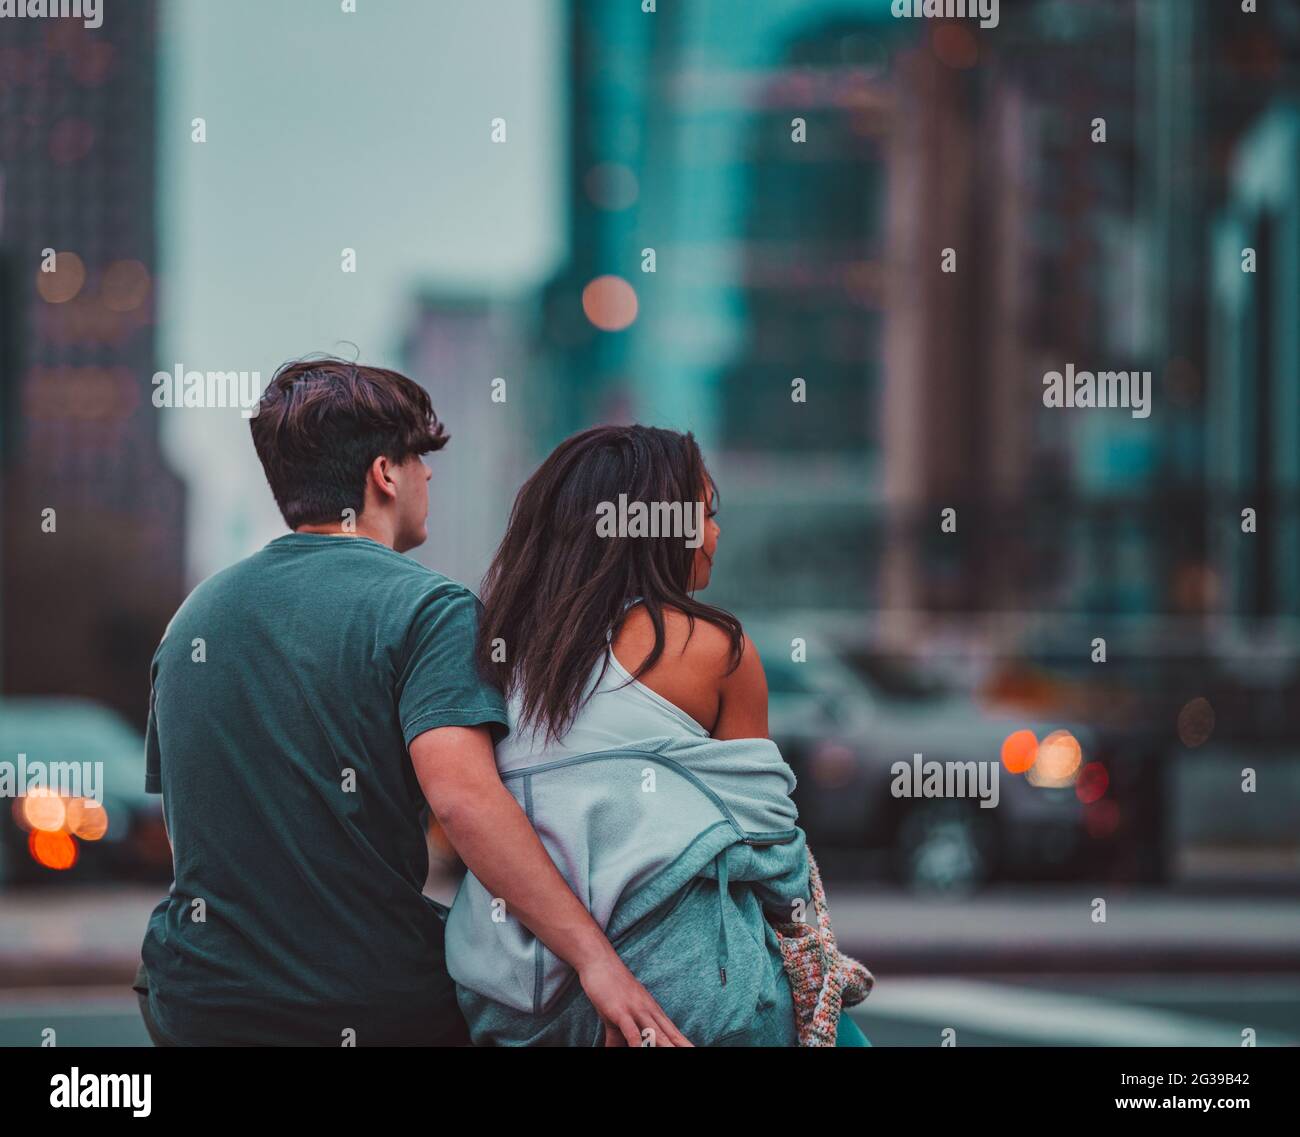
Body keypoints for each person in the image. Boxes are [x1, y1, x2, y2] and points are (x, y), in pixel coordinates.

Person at [134, 357, 689, 1047]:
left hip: (193, 998)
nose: (429, 475)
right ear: (384, 474)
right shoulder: (430, 609)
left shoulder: (194, 619)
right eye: (421, 457)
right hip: (364, 1003)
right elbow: (465, 803)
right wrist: (598, 961)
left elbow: (194, 821)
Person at [445, 424, 872, 1046]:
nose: (716, 533)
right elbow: (772, 849)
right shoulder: (712, 647)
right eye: (707, 513)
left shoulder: (493, 651)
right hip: (679, 993)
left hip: (508, 1002)